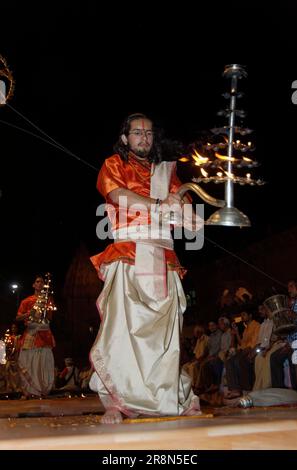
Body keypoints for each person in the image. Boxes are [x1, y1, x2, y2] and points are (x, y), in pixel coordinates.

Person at [89, 113, 202, 423]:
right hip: (128, 253)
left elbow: (188, 217)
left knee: (165, 336)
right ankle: (117, 400)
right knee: (122, 331)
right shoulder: (114, 164)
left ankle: (163, 396)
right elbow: (118, 197)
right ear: (125, 137)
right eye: (137, 133)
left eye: (149, 133)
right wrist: (159, 205)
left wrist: (190, 212)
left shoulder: (167, 173)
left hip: (164, 257)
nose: (144, 138)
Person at [16, 275, 56, 398]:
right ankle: (30, 390)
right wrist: (30, 314)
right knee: (26, 361)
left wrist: (43, 314)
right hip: (31, 334)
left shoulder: (48, 300)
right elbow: (18, 317)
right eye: (37, 281)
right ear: (33, 285)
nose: (40, 284)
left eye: (42, 282)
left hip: (44, 334)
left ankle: (42, 390)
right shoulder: (26, 301)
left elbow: (49, 317)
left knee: (43, 362)